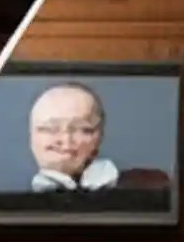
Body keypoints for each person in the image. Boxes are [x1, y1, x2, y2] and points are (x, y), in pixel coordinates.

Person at [27, 82, 170, 193]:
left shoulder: (148, 185)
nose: (65, 139)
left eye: (81, 129)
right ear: (31, 137)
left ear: (98, 137)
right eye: (50, 129)